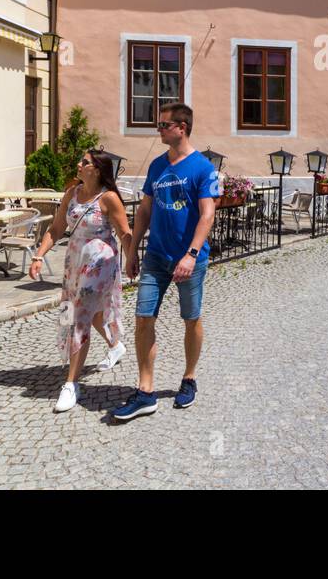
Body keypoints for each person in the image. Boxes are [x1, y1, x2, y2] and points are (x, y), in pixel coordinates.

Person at [112, 102, 220, 422]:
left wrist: (191, 254)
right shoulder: (157, 166)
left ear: (181, 128)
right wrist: (132, 252)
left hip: (189, 259)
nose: (158, 130)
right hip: (156, 257)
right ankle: (146, 392)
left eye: (163, 125)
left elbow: (207, 214)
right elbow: (145, 211)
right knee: (143, 317)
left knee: (191, 318)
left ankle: (188, 377)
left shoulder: (204, 168)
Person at [30, 149, 133, 413]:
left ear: (96, 170)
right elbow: (56, 229)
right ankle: (115, 346)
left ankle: (71, 384)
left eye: (84, 162)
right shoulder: (71, 194)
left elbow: (124, 233)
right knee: (86, 313)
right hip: (75, 262)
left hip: (99, 263)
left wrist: (133, 260)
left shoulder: (109, 198)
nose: (78, 164)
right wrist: (39, 255)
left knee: (78, 317)